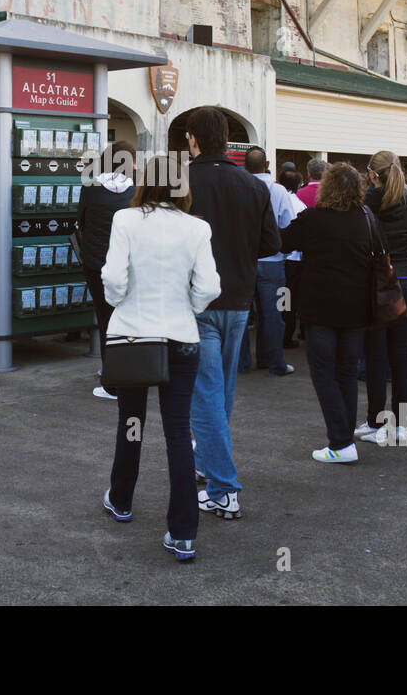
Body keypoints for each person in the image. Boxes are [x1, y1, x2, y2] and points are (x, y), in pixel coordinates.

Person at [101, 155, 221, 563]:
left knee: (131, 421)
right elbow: (209, 287)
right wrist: (185, 305)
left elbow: (114, 278)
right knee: (177, 432)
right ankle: (183, 532)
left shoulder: (126, 221)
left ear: (145, 182)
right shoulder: (197, 228)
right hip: (181, 336)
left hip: (133, 334)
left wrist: (120, 302)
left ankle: (121, 499)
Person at [184, 107, 281, 519]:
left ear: (193, 140)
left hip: (195, 300)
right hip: (239, 298)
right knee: (221, 389)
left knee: (203, 393)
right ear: (226, 139)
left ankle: (224, 487)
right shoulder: (254, 187)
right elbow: (270, 244)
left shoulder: (182, 182)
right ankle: (208, 464)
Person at [279, 163, 376, 462]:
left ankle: (341, 441)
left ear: (327, 187)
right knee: (345, 371)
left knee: (324, 373)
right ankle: (344, 436)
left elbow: (282, 242)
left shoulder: (313, 219)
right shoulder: (365, 218)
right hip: (357, 306)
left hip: (320, 307)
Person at [359, 150, 407, 444]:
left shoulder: (369, 203)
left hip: (379, 281)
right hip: (406, 279)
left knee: (376, 356)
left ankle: (374, 421)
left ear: (372, 174)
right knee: (400, 355)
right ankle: (400, 425)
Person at [78, 141, 138, 399]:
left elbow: (81, 221)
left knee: (106, 319)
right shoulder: (135, 191)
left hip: (96, 263)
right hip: (127, 264)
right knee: (128, 318)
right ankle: (132, 370)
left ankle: (111, 379)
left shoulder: (90, 188)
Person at [238, 147, 296, 376]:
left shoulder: (238, 188)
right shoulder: (280, 191)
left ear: (244, 165)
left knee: (241, 313)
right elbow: (287, 224)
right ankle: (273, 361)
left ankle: (240, 362)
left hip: (243, 259)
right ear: (268, 164)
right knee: (274, 313)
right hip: (273, 261)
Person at [278, 169, 306, 348]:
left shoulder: (275, 198)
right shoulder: (300, 206)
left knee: (280, 300)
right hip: (294, 261)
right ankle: (285, 337)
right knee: (288, 301)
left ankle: (279, 334)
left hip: (277, 258)